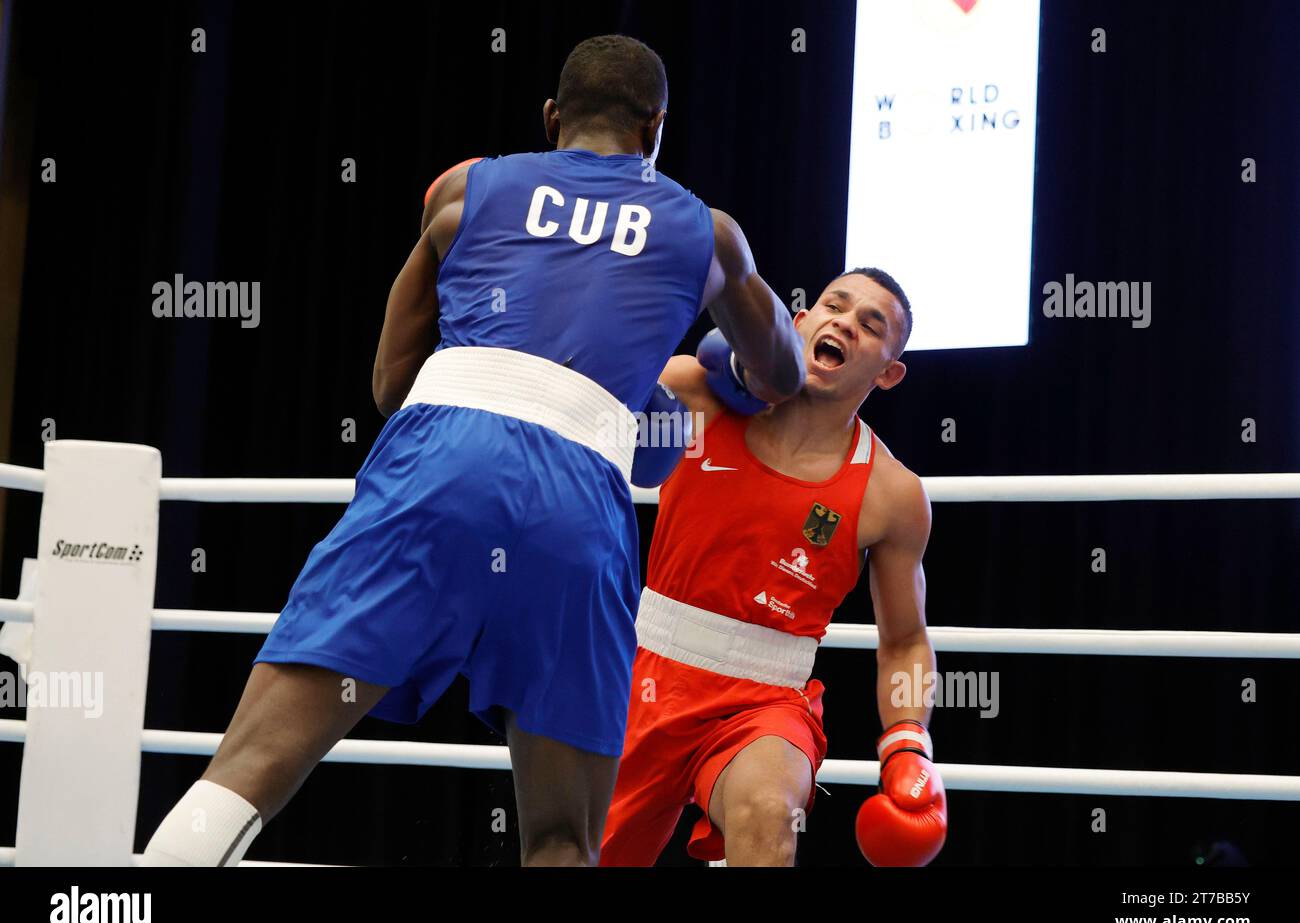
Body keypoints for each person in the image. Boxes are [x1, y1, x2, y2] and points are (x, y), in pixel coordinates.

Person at [141, 34, 804, 867]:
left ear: (552, 117)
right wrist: (715, 372)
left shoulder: (463, 189)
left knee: (249, 768)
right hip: (576, 503)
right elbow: (779, 371)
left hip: (436, 463)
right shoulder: (708, 235)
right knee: (562, 837)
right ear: (656, 129)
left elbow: (389, 385)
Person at [599, 268, 947, 866]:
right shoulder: (698, 395)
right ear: (801, 322)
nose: (845, 322)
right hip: (642, 673)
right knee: (577, 854)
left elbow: (905, 640)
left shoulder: (891, 495)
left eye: (871, 325)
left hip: (764, 702)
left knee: (768, 812)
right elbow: (593, 408)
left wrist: (908, 739)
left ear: (889, 372)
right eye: (834, 306)